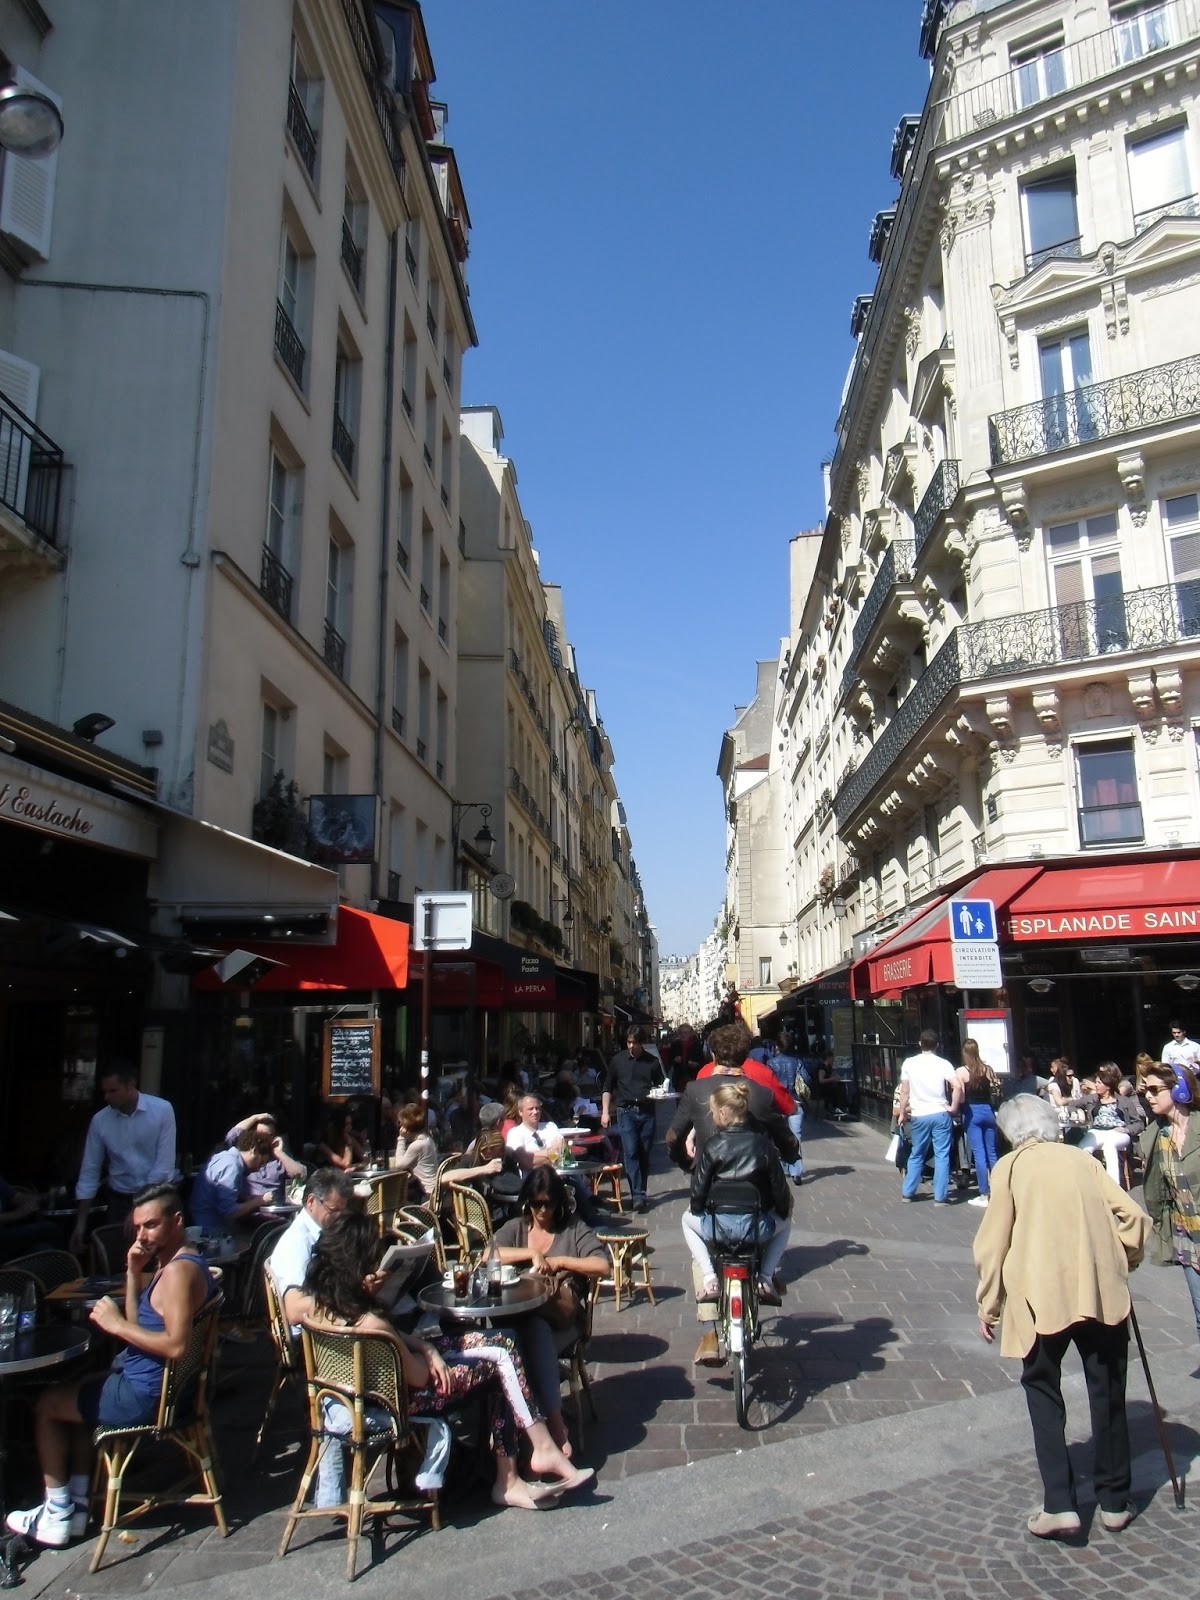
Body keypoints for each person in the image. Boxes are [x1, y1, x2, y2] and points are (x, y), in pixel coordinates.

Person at [302, 1210, 592, 1510]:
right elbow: (417, 1376)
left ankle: (526, 1464)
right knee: (504, 1361)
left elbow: (395, 1342)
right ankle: (518, 1470)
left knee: (504, 1344)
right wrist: (429, 1354)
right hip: (403, 1400)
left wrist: (425, 1347)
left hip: (369, 1395)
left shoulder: (323, 1310)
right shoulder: (373, 1324)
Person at [974, 1095, 1148, 1540]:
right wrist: (1123, 1258)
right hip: (1097, 1289)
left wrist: (989, 1303)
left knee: (1042, 1390)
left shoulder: (1010, 1168)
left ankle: (1059, 1504)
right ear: (1051, 1124)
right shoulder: (1081, 1160)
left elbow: (991, 1245)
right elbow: (1131, 1214)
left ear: (1011, 1132)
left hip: (1039, 1297)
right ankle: (1113, 1501)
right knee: (1108, 1390)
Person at [6, 1184, 217, 1547]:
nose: (142, 1235)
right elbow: (144, 1325)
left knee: (46, 1406)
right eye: (137, 1228)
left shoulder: (178, 1274)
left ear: (177, 1220)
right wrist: (134, 1273)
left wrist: (116, 1325)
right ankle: (78, 1504)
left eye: (150, 1225)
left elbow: (177, 1345)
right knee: (79, 1390)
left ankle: (55, 1512)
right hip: (158, 1390)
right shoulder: (175, 1264)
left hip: (145, 1396)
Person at [667, 1021, 798, 1366]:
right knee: (780, 1215)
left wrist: (686, 1162)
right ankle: (767, 1276)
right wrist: (790, 1153)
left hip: (709, 1184)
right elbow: (785, 1135)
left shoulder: (696, 1090)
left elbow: (672, 1136)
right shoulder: (760, 1091)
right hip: (755, 1188)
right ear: (746, 1053)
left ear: (712, 1053)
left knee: (704, 1247)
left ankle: (710, 1330)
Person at [493, 1168, 607, 1453]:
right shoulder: (517, 1228)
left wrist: (561, 1262)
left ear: (559, 1203)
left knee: (529, 1338)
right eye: (536, 1204)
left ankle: (547, 1432)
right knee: (529, 1332)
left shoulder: (572, 1228)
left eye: (549, 1203)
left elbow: (602, 1265)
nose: (542, 1210)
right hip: (523, 1319)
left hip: (563, 1318)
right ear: (527, 1203)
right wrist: (532, 1254)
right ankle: (547, 1432)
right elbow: (489, 1255)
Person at [684, 1081, 792, 1308]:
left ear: (723, 1112)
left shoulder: (713, 1145)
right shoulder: (763, 1145)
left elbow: (698, 1193)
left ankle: (710, 1278)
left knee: (686, 1220)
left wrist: (698, 1209)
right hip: (756, 1227)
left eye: (712, 1112)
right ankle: (765, 1278)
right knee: (787, 1222)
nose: (712, 1117)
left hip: (718, 1227)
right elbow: (780, 1190)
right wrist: (782, 1211)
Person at [70, 1064, 177, 1252]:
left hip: (157, 1196)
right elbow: (89, 1171)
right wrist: (80, 1225)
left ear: (130, 1085)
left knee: (159, 1257)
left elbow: (163, 1167)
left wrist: (138, 1209)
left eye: (113, 1091)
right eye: (105, 1091)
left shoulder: (161, 1110)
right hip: (119, 1199)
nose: (107, 1097)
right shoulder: (100, 1121)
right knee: (119, 1258)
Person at [1138, 1063, 1200, 1352]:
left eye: (1155, 1089)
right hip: (1186, 1237)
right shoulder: (1157, 1136)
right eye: (1145, 1090)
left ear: (1180, 1090)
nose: (1148, 1096)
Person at [270, 1167, 358, 1333]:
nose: (340, 1217)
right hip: (309, 1339)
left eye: (343, 1211)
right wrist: (348, 1312)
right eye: (334, 1211)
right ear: (311, 1202)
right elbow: (294, 1309)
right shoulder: (298, 1243)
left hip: (322, 1326)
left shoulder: (319, 1233)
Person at [505, 1092, 598, 1222]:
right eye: (530, 1109)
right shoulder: (515, 1133)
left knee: (575, 1192)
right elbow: (526, 1163)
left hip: (560, 1177)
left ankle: (593, 1225)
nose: (535, 1112)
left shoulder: (550, 1126)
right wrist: (551, 1152)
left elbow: (563, 1152)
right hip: (534, 1183)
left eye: (537, 1108)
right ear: (520, 1112)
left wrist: (537, 1155)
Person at [895, 1029, 962, 1205]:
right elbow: (957, 1086)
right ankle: (940, 1196)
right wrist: (953, 1107)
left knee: (917, 1153)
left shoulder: (909, 1063)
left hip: (919, 1114)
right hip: (940, 1113)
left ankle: (908, 1192)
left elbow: (904, 1091)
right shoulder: (944, 1064)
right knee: (942, 1155)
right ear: (937, 1046)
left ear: (919, 1044)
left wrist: (902, 1113)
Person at [601, 1028, 663, 1214]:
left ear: (641, 1042)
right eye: (628, 1042)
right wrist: (605, 1112)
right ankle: (637, 1195)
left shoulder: (652, 1063)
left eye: (634, 1042)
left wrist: (660, 1094)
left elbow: (661, 1085)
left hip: (646, 1111)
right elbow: (607, 1086)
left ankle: (640, 1190)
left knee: (644, 1152)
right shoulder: (618, 1061)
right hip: (625, 1111)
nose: (631, 1046)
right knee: (631, 1152)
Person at [189, 1128, 273, 1234]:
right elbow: (229, 1211)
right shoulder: (232, 1166)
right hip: (210, 1232)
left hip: (203, 1224)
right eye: (261, 1163)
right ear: (254, 1150)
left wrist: (245, 1198)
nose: (258, 1169)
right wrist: (259, 1201)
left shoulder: (223, 1157)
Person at [955, 1039, 999, 1208]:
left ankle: (983, 1193)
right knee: (992, 1153)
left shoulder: (961, 1071)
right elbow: (995, 1088)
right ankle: (997, 1190)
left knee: (979, 1155)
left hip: (972, 1112)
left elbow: (962, 1096)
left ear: (965, 1053)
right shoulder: (987, 1069)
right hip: (988, 1111)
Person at [224, 1111, 306, 1198]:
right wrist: (255, 1117)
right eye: (261, 1135)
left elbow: (300, 1174)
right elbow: (231, 1137)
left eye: (269, 1135)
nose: (265, 1139)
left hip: (273, 1206)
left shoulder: (278, 1157)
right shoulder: (245, 1152)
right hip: (248, 1206)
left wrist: (279, 1153)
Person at [1081, 1065, 1133, 1187]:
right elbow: (1073, 1104)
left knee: (1109, 1146)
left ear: (1108, 1085)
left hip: (1118, 1132)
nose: (1096, 1086)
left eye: (1099, 1083)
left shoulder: (1124, 1101)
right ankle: (1086, 1183)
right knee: (1083, 1149)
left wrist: (1126, 1129)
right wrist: (1076, 1112)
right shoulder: (1093, 1099)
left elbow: (1139, 1123)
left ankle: (1114, 1187)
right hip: (1097, 1131)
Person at [766, 1029, 807, 1187]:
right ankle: (796, 1170)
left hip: (778, 1103)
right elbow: (807, 1078)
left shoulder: (771, 1063)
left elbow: (768, 1084)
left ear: (777, 1046)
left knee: (779, 1136)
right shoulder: (797, 1061)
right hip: (795, 1101)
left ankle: (784, 1167)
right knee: (796, 1136)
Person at [0, 1174, 61, 1264]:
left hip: (6, 1234)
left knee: (44, 1249)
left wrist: (40, 1198)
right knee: (50, 1229)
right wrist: (19, 1213)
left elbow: (16, 1197)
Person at [392, 1101, 441, 1198]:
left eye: (400, 1124)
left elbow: (399, 1166)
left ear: (406, 1126)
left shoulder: (417, 1145)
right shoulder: (427, 1139)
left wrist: (401, 1138)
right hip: (432, 1190)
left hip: (426, 1194)